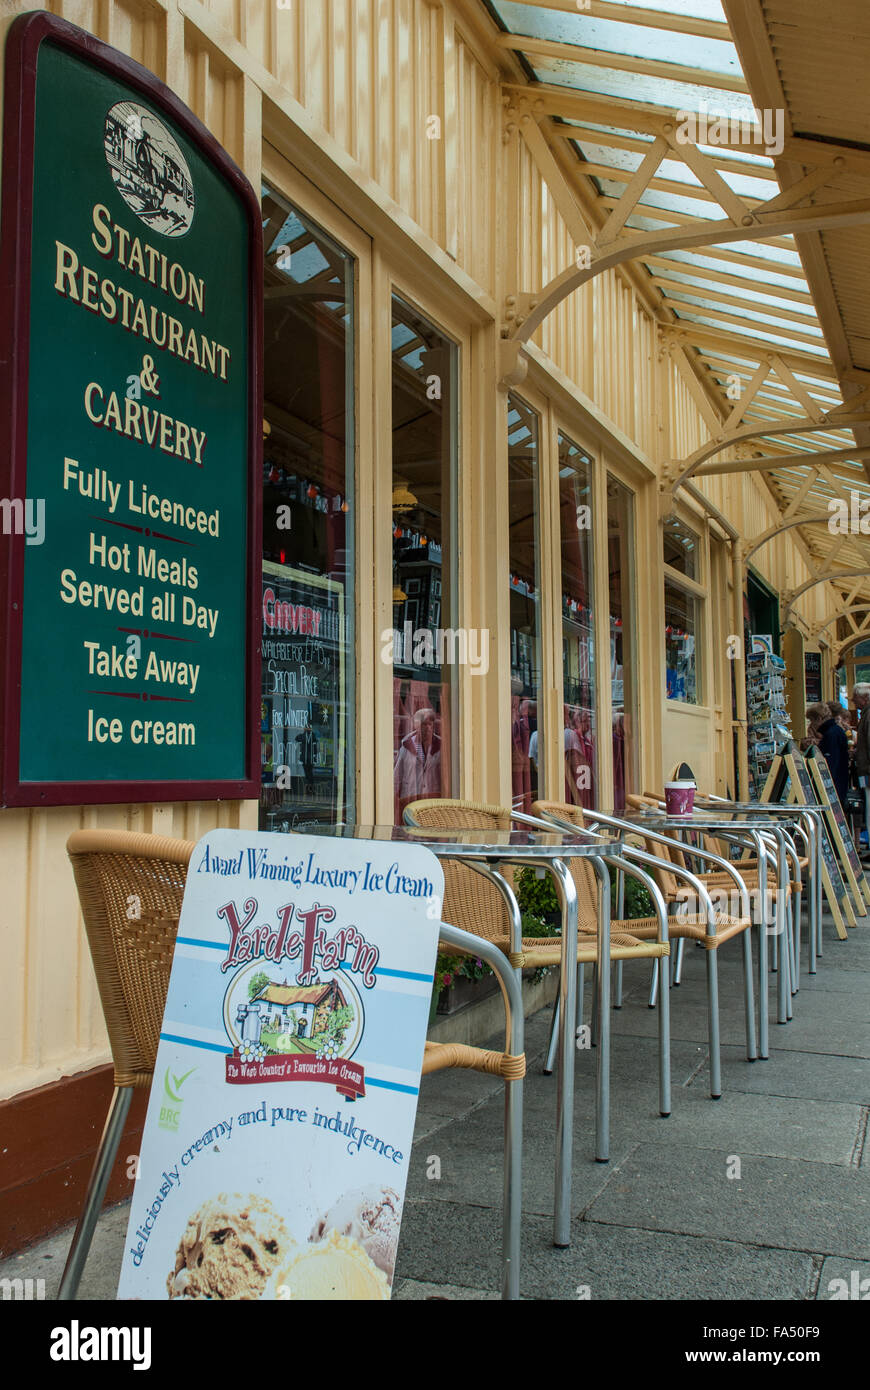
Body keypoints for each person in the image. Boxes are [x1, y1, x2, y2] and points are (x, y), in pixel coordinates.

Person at [394, 707, 442, 818]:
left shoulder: (440, 746)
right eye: (425, 724)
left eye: (430, 724)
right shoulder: (407, 746)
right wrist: (394, 801)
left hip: (433, 800)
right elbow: (397, 776)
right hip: (410, 798)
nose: (428, 728)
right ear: (417, 726)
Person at [814, 702, 850, 808]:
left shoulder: (831, 734)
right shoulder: (835, 731)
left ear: (819, 718)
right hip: (839, 781)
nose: (812, 724)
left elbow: (831, 761)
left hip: (834, 783)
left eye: (812, 720)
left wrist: (827, 783)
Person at [851, 684, 870, 854]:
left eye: (854, 697)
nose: (852, 701)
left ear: (864, 698)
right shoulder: (865, 715)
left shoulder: (868, 715)